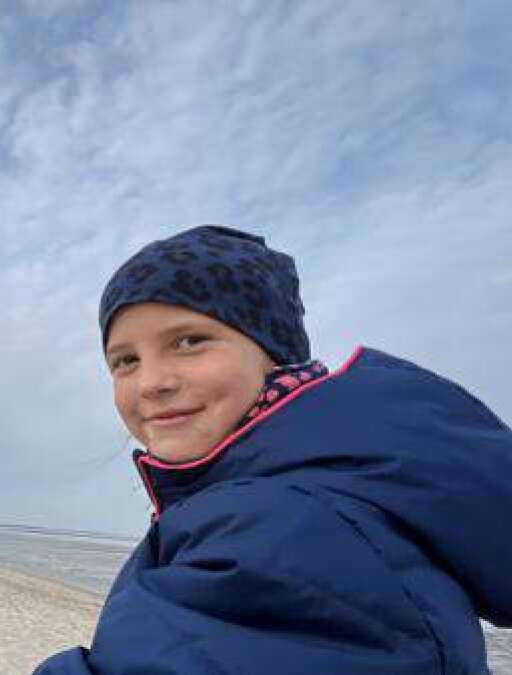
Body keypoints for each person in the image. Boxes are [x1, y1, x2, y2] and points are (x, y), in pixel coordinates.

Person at [34, 226, 512, 674]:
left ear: (273, 351)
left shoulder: (290, 519)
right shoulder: (268, 492)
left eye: (189, 341)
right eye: (126, 361)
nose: (152, 383)